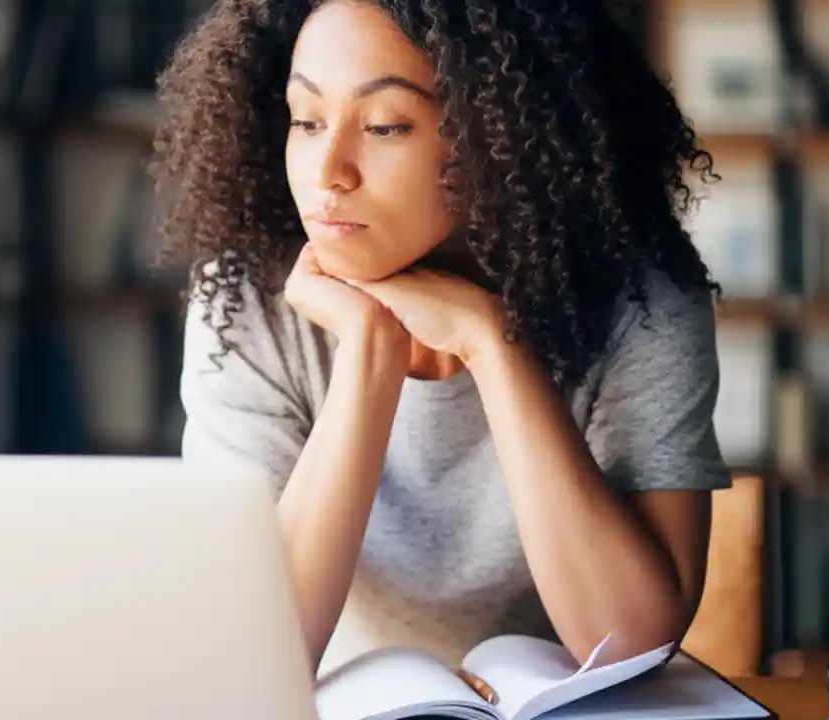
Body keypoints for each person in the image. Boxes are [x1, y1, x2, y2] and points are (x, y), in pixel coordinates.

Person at [150, 0, 729, 678]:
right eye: (306, 120)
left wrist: (495, 345)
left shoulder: (641, 304)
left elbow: (628, 642)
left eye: (386, 125)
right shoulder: (246, 301)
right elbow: (251, 649)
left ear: (503, 133)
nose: (328, 171)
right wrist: (371, 348)